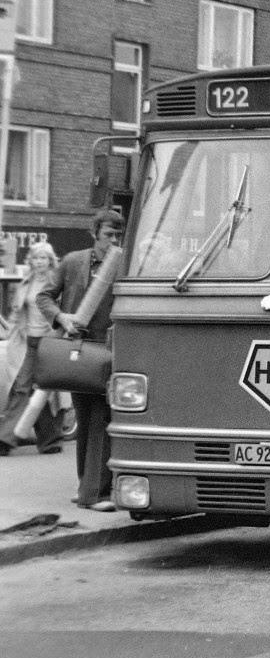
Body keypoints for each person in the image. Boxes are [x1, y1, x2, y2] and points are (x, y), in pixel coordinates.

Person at [37, 210, 125, 512]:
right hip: (77, 351)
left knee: (101, 417)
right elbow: (44, 296)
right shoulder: (73, 261)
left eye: (117, 235)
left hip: (109, 351)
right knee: (86, 418)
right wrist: (62, 318)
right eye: (108, 235)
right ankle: (88, 489)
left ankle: (93, 492)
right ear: (94, 233)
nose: (113, 241)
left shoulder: (123, 265)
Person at [0, 242, 66, 456]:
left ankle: (45, 441)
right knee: (22, 387)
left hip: (49, 343)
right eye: (36, 258)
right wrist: (10, 331)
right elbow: (16, 312)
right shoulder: (27, 281)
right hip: (27, 342)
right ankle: (12, 439)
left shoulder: (55, 284)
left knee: (44, 388)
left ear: (50, 260)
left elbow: (63, 314)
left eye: (43, 258)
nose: (39, 262)